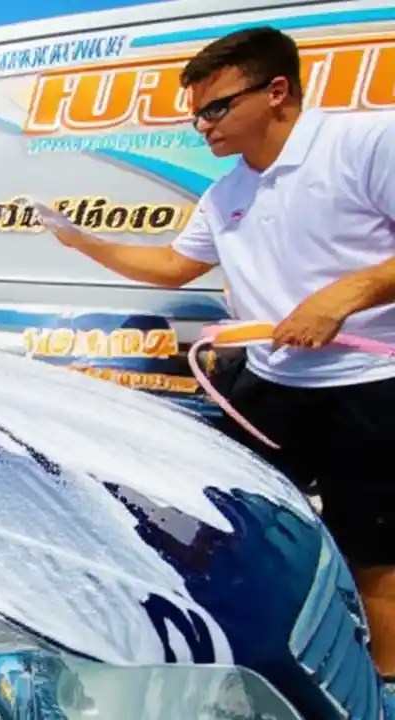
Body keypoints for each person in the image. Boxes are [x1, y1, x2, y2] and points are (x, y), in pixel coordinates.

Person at [28, 26, 395, 680]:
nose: (202, 125)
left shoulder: (363, 144)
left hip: (367, 385)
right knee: (221, 529)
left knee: (374, 556)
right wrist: (80, 240)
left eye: (216, 107)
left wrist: (347, 294)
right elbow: (172, 265)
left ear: (277, 91)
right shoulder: (227, 192)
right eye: (195, 113)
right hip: (268, 389)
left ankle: (381, 690)